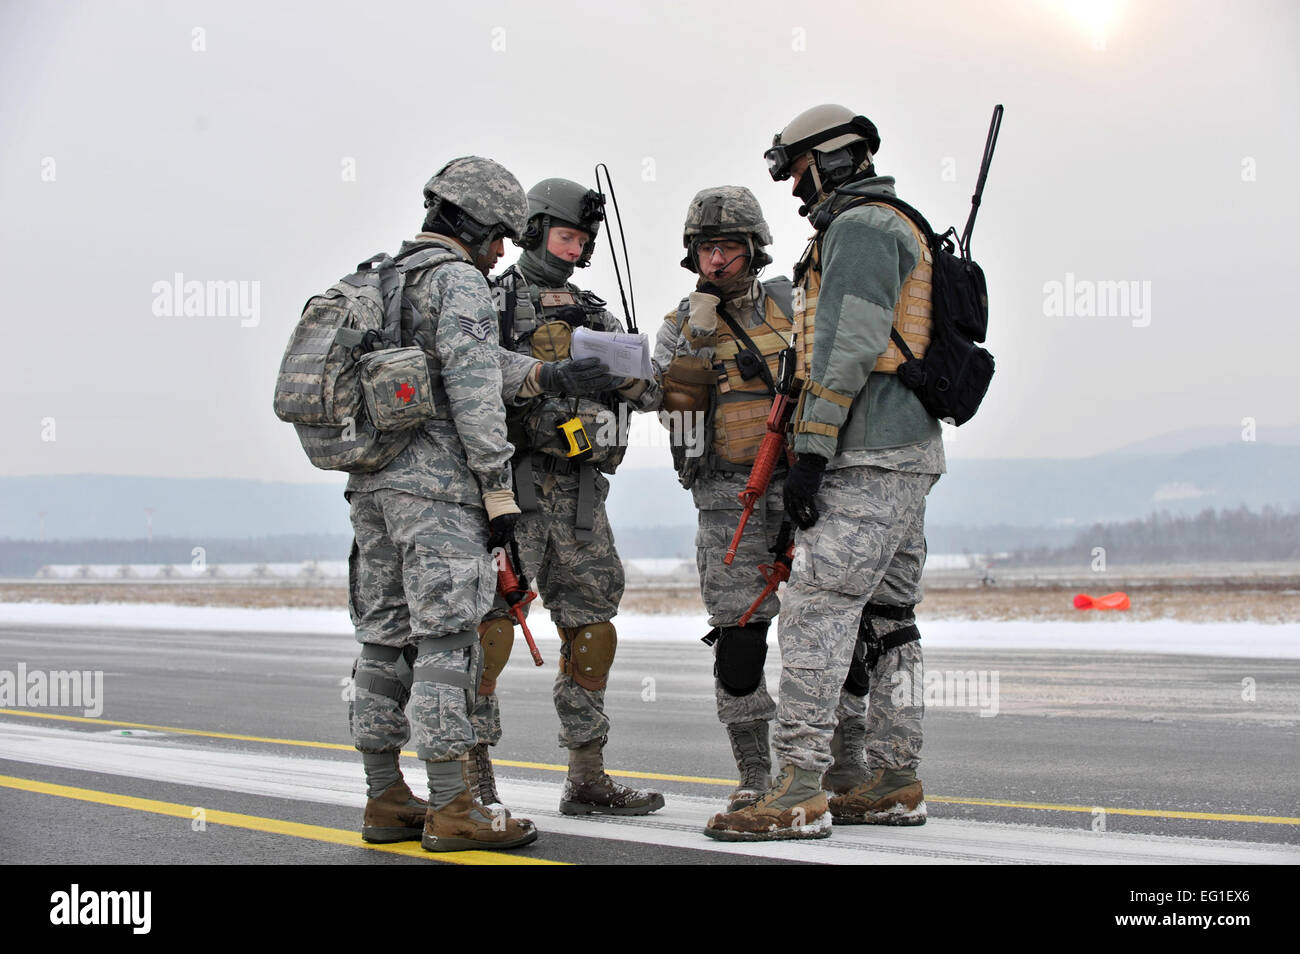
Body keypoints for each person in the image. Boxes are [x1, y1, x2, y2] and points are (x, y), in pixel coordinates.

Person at [705, 105, 944, 841]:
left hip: (869, 451)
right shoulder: (891, 222)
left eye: (797, 170)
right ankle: (896, 778)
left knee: (815, 608)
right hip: (906, 453)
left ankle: (800, 787)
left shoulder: (862, 229)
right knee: (890, 619)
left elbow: (846, 347)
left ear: (831, 160)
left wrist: (810, 451)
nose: (794, 188)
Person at [345, 155, 552, 853]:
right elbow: (471, 390)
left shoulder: (381, 278)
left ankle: (384, 798)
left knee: (382, 639)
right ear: (473, 221)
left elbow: (465, 364)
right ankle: (453, 805)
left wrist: (545, 374)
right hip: (437, 495)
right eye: (499, 237)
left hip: (372, 488)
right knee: (444, 643)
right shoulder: (457, 280)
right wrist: (498, 492)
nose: (501, 255)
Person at [467, 177, 666, 817]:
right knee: (491, 630)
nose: (575, 249)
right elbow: (466, 385)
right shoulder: (489, 303)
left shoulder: (593, 311)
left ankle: (587, 777)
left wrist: (629, 374)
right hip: (513, 491)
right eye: (565, 235)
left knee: (592, 631)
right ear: (532, 230)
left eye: (583, 239)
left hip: (581, 493)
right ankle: (473, 781)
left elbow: (653, 391)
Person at [652, 186, 799, 812]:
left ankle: (841, 769)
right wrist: (695, 347)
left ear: (753, 249)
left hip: (803, 488)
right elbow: (664, 409)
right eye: (708, 249)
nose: (717, 262)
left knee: (836, 631)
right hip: (725, 497)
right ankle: (754, 776)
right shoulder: (680, 326)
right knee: (739, 641)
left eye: (729, 248)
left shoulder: (793, 305)